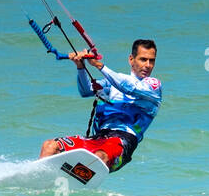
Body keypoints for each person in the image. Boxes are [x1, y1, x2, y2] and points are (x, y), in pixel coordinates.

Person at [38, 39, 162, 172]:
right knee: (49, 146)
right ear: (131, 59)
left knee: (98, 157)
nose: (148, 65)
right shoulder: (112, 84)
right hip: (99, 138)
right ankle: (38, 180)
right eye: (143, 59)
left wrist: (98, 65)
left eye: (152, 60)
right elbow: (86, 91)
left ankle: (80, 181)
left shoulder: (153, 86)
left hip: (123, 141)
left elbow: (128, 88)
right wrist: (80, 67)